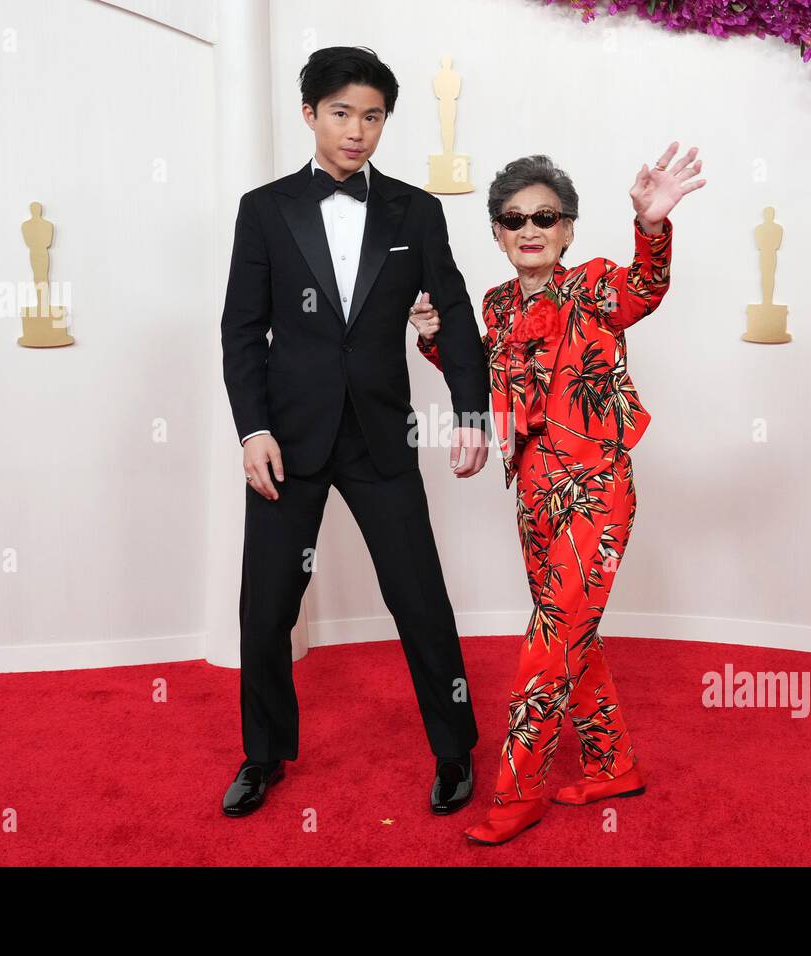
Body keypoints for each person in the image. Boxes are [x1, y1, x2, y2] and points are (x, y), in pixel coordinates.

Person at [220, 46, 492, 819]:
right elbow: (242, 332)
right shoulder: (264, 209)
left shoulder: (416, 209)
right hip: (288, 441)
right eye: (342, 113)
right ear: (309, 115)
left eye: (372, 116)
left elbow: (457, 314)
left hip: (380, 438)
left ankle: (453, 748)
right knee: (265, 608)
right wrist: (253, 430)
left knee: (419, 597)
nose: (358, 130)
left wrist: (470, 411)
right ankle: (263, 755)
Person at [411, 144, 705, 844]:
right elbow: (485, 373)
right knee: (575, 634)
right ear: (497, 234)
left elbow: (646, 288)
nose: (530, 228)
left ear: (568, 228)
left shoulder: (597, 285)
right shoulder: (496, 304)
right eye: (513, 219)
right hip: (532, 490)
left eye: (545, 216)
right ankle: (612, 763)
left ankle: (519, 790)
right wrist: (433, 341)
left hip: (597, 487)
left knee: (550, 639)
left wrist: (653, 226)